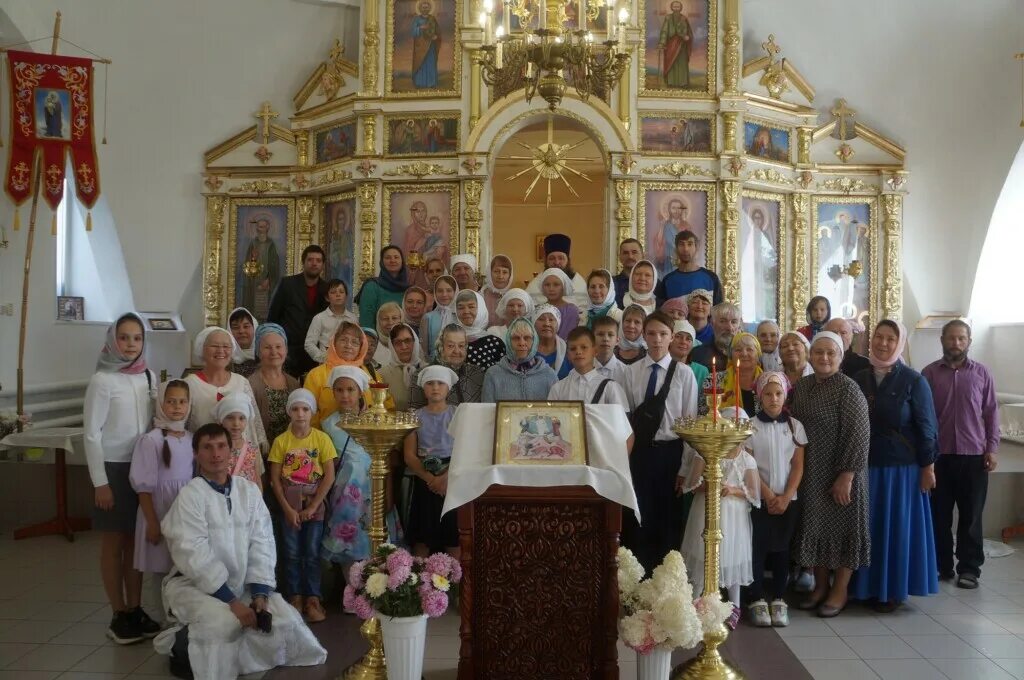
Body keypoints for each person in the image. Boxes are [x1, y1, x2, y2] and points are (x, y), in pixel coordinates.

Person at [156, 424, 327, 679]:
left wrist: (260, 593)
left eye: (221, 446)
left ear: (230, 450)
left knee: (285, 621)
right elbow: (192, 553)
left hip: (244, 584)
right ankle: (182, 649)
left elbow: (263, 542)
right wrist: (231, 602)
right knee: (225, 624)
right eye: (207, 447)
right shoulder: (190, 496)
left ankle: (241, 658)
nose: (216, 454)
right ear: (196, 453)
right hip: (195, 586)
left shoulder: (248, 491)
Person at [850, 320, 939, 611]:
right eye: (879, 337)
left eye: (890, 338)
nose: (883, 343)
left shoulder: (914, 381)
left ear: (898, 343)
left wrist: (928, 467)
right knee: (867, 529)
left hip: (901, 471)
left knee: (894, 531)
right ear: (870, 340)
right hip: (864, 466)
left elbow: (927, 427)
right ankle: (863, 587)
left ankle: (891, 591)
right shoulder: (859, 377)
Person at [84, 313, 162, 644]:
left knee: (136, 542)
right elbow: (91, 434)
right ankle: (118, 612)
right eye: (124, 337)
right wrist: (100, 481)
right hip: (113, 469)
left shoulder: (148, 376)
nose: (131, 344)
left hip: (140, 468)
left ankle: (135, 608)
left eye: (137, 338)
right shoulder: (102, 380)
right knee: (114, 541)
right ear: (113, 340)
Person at [790, 331, 871, 618]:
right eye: (819, 352)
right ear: (810, 355)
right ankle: (821, 586)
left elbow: (859, 434)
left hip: (841, 473)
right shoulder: (802, 386)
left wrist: (846, 475)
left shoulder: (848, 389)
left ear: (840, 357)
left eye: (831, 353)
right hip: (811, 472)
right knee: (816, 527)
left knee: (844, 530)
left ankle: (840, 590)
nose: (824, 358)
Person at [923, 320, 1000, 590]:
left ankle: (969, 569)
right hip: (939, 457)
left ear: (969, 341)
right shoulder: (929, 374)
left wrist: (992, 448)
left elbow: (991, 412)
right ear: (942, 340)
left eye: (961, 339)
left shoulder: (982, 374)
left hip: (974, 457)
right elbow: (922, 417)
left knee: (971, 517)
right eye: (951, 338)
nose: (956, 343)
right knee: (938, 516)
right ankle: (941, 566)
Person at [622, 311, 699, 575]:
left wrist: (684, 468)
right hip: (640, 454)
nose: (657, 340)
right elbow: (627, 418)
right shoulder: (630, 372)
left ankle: (666, 581)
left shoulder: (684, 374)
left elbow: (689, 423)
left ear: (672, 338)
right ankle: (638, 582)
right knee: (639, 517)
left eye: (663, 334)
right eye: (652, 333)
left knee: (667, 519)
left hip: (670, 453)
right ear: (643, 336)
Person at [321, 367, 401, 603]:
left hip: (373, 491)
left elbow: (386, 459)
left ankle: (377, 591)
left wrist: (388, 492)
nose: (345, 395)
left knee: (374, 542)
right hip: (344, 499)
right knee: (348, 544)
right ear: (333, 393)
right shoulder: (328, 425)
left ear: (360, 392)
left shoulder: (376, 420)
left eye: (350, 390)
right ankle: (354, 593)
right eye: (339, 390)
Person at [679, 406, 759, 629]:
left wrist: (733, 490)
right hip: (705, 510)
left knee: (732, 556)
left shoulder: (747, 460)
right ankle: (695, 602)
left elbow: (753, 494)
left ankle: (734, 606)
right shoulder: (703, 453)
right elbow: (692, 486)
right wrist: (709, 485)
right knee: (702, 553)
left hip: (734, 516)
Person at [268, 389, 337, 624]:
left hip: (313, 507)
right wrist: (287, 509)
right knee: (291, 553)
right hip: (289, 506)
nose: (300, 414)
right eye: (295, 409)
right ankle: (295, 597)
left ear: (312, 412)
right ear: (289, 411)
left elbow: (329, 476)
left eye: (305, 409)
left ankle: (313, 598)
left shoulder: (321, 439)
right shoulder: (281, 441)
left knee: (312, 553)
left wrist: (314, 505)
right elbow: (275, 479)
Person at [129, 380, 193, 627]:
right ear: (161, 403)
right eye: (171, 401)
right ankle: (164, 620)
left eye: (182, 401)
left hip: (183, 512)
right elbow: (143, 488)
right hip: (158, 510)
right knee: (161, 569)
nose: (177, 407)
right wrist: (152, 523)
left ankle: (180, 617)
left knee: (181, 565)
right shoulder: (151, 440)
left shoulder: (190, 438)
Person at [744, 373, 806, 628]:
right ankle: (756, 597)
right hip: (759, 499)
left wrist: (786, 496)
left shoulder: (795, 426)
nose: (773, 399)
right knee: (757, 548)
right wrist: (769, 495)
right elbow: (748, 466)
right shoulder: (749, 426)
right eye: (768, 394)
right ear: (760, 396)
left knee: (782, 549)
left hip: (788, 500)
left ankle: (779, 597)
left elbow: (798, 466)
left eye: (778, 394)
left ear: (785, 395)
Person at [404, 366, 460, 557]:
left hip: (453, 480)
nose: (435, 387)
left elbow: (465, 450)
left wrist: (445, 478)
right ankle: (420, 584)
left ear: (449, 388)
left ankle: (456, 585)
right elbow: (410, 456)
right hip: (424, 480)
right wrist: (430, 479)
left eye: (440, 383)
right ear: (423, 388)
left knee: (453, 535)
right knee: (422, 537)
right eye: (430, 383)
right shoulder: (415, 417)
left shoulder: (458, 414)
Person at [185, 328, 267, 452]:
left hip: (239, 459)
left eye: (226, 346)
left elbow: (252, 423)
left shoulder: (242, 382)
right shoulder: (190, 384)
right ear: (202, 348)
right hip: (202, 456)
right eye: (214, 345)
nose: (221, 350)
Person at [305, 322, 392, 428]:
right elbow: (308, 413)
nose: (348, 346)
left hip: (366, 439)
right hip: (327, 440)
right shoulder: (315, 375)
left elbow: (386, 406)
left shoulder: (371, 374)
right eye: (343, 340)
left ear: (361, 347)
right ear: (334, 343)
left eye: (355, 342)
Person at [267, 245, 329, 377]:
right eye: (310, 260)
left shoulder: (327, 289)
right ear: (303, 262)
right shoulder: (288, 284)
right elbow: (273, 316)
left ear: (323, 265)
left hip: (315, 351)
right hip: (289, 350)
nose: (314, 263)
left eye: (318, 261)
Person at [548, 327, 631, 411]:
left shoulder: (611, 387)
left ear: (595, 351)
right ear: (568, 355)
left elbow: (621, 420)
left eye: (584, 347)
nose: (578, 352)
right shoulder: (558, 389)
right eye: (573, 349)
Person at [409, 324, 485, 408]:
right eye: (450, 346)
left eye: (461, 346)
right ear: (440, 347)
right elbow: (413, 413)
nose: (457, 351)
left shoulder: (476, 373)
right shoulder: (423, 374)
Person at [482, 318, 558, 401]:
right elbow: (487, 410)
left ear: (535, 341)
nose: (522, 343)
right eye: (516, 338)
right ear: (508, 341)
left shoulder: (549, 375)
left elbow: (557, 411)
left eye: (527, 338)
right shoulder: (493, 374)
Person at [249, 324, 301, 445]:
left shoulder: (294, 383)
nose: (274, 352)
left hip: (290, 450)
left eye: (279, 346)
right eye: (267, 347)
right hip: (262, 451)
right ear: (258, 351)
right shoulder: (250, 384)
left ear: (286, 349)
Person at [658, 231, 724, 303]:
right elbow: (662, 311)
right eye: (681, 244)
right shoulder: (668, 280)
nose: (686, 249)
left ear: (696, 247)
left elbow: (718, 310)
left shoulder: (711, 278)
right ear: (676, 249)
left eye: (690, 244)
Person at [216, 394, 265, 490]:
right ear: (222, 420)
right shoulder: (216, 448)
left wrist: (259, 502)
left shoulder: (253, 449)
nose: (236, 423)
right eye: (230, 418)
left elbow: (257, 480)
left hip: (247, 502)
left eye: (241, 418)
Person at [526, 234, 588, 308]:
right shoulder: (535, 285)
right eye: (552, 258)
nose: (556, 262)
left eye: (561, 258)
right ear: (546, 261)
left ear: (568, 260)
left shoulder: (579, 283)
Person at [304, 279, 358, 365]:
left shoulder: (352, 318)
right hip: (326, 364)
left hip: (348, 364)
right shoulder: (319, 318)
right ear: (327, 298)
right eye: (333, 292)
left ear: (346, 296)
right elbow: (309, 343)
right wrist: (323, 358)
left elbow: (357, 341)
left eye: (341, 292)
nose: (338, 295)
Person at [239, 216, 281, 322]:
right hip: (253, 282)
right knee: (253, 309)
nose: (259, 229)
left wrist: (269, 280)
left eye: (262, 227)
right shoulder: (253, 243)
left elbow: (274, 265)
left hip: (266, 282)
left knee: (264, 310)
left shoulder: (271, 245)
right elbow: (247, 263)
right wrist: (253, 258)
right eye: (258, 227)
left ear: (267, 228)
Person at [355, 246, 410, 329]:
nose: (392, 260)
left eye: (396, 257)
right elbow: (366, 321)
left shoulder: (408, 289)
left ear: (402, 261)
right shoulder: (372, 286)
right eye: (388, 258)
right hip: (377, 339)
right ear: (382, 262)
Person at [380, 323, 424, 411]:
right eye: (398, 342)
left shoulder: (427, 370)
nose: (404, 347)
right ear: (391, 346)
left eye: (407, 341)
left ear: (415, 342)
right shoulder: (382, 375)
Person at [457, 290, 505, 370]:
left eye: (471, 307)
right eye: (461, 307)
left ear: (481, 309)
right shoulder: (449, 339)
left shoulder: (494, 342)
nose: (466, 311)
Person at [690, 302, 741, 371]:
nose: (729, 328)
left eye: (734, 322)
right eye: (723, 321)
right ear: (712, 324)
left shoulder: (746, 354)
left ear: (739, 326)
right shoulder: (697, 354)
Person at [721, 332, 764, 415]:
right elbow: (704, 414)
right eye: (738, 350)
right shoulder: (714, 381)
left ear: (758, 355)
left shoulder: (768, 382)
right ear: (731, 355)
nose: (744, 354)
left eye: (749, 349)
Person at [420, 274, 458, 360]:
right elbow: (424, 350)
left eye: (449, 290)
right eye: (440, 291)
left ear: (455, 292)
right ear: (435, 293)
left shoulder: (459, 317)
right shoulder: (428, 318)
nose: (444, 294)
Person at [657, 0, 693, 89]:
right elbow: (664, 31)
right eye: (674, 6)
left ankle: (682, 82)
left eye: (678, 7)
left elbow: (688, 31)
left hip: (681, 45)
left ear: (681, 8)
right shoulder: (668, 18)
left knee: (681, 63)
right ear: (671, 8)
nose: (676, 8)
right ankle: (671, 82)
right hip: (671, 44)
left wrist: (687, 37)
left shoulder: (684, 18)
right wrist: (662, 42)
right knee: (671, 63)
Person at [538, 267, 581, 339]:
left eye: (556, 285)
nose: (551, 289)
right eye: (547, 285)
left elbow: (568, 336)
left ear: (563, 287)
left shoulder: (571, 310)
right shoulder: (539, 310)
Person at [533, 304, 571, 379]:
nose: (547, 324)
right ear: (533, 323)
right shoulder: (526, 350)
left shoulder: (569, 350)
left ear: (558, 324)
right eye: (541, 319)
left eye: (551, 319)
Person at [670, 319, 708, 390]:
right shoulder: (660, 367)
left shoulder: (701, 371)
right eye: (678, 336)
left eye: (688, 339)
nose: (683, 342)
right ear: (670, 339)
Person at [411, 0, 440, 89]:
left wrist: (436, 36)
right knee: (421, 62)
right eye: (423, 7)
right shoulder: (417, 19)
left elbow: (437, 31)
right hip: (420, 46)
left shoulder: (432, 19)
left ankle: (431, 83)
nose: (425, 9)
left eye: (427, 7)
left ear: (429, 8)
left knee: (430, 62)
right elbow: (413, 32)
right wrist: (420, 28)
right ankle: (420, 83)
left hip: (430, 45)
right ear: (420, 8)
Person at [593, 316, 627, 384]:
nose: (605, 339)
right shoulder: (583, 369)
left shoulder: (625, 372)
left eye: (610, 335)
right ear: (592, 339)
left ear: (617, 341)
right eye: (600, 334)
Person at [482, 254, 514, 327]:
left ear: (510, 275)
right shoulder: (481, 295)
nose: (500, 276)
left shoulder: (514, 296)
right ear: (490, 273)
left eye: (505, 272)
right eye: (496, 271)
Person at [228, 307, 259, 377]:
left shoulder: (264, 358)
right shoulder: (224, 360)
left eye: (246, 326)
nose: (241, 331)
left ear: (255, 328)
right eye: (235, 327)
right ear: (229, 331)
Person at [779, 330, 814, 394]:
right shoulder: (775, 377)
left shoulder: (817, 377)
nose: (790, 348)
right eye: (785, 346)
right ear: (780, 354)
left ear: (806, 350)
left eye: (795, 344)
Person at [614, 239, 644, 308]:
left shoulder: (653, 282)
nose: (630, 256)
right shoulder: (611, 283)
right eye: (625, 253)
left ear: (643, 255)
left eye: (634, 252)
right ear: (620, 257)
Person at [373, 301, 404, 366]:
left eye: (394, 318)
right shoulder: (372, 346)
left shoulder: (410, 344)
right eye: (385, 318)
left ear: (401, 320)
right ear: (378, 322)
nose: (390, 322)